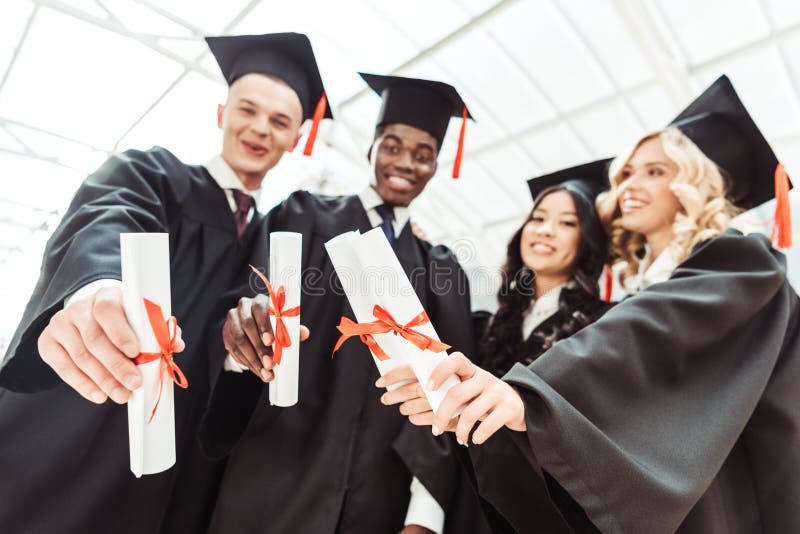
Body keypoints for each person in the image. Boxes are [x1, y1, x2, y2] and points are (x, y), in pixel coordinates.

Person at [383, 74, 799, 533]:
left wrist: (532, 395)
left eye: (655, 171)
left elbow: (645, 335)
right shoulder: (653, 287)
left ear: (696, 183)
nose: (627, 187)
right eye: (627, 173)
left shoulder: (740, 263)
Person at [0, 32, 329, 533]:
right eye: (247, 109)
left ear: (296, 136)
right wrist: (100, 287)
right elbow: (107, 215)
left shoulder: (273, 235)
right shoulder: (155, 175)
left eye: (280, 120)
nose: (259, 128)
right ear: (222, 113)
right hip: (85, 419)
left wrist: (243, 348)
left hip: (174, 461)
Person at [200, 73, 478, 534]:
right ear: (371, 149)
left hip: (377, 498)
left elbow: (447, 390)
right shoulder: (304, 216)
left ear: (435, 167)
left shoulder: (441, 269)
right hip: (274, 475)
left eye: (423, 154)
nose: (405, 163)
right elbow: (249, 301)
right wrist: (242, 336)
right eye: (392, 145)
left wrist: (423, 515)